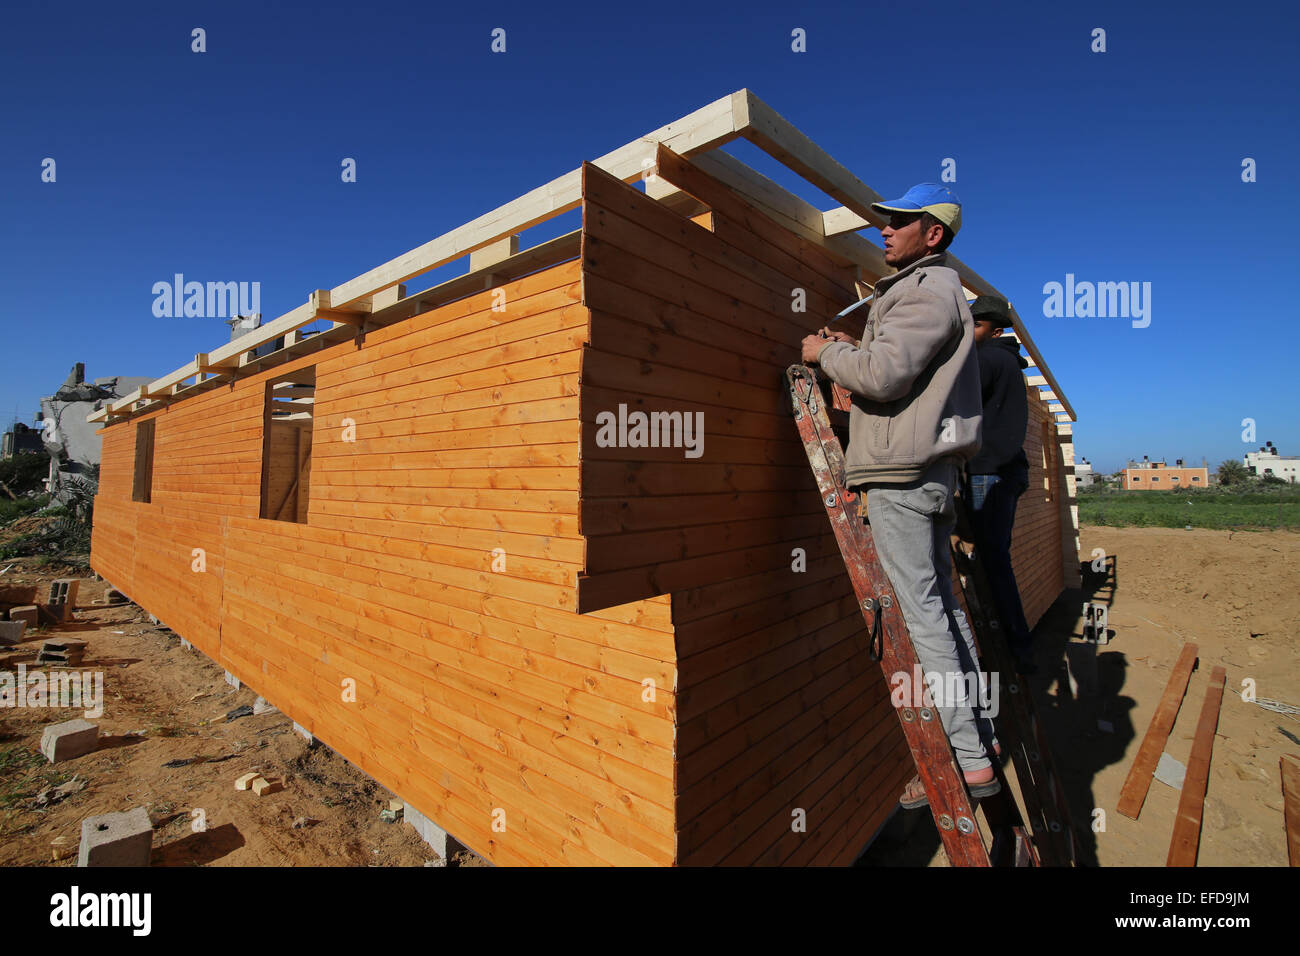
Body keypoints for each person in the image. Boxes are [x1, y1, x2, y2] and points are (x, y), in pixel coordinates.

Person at [800, 184, 999, 809]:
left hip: (901, 479)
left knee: (923, 622)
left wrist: (826, 353)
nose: (884, 231)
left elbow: (884, 376)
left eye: (899, 223)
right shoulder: (926, 292)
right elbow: (897, 376)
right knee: (945, 613)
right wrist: (853, 359)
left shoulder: (925, 290)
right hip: (923, 477)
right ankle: (981, 743)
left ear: (932, 234)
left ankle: (965, 761)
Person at [965, 296, 1036, 675]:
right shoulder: (1008, 363)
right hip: (1004, 472)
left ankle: (1017, 649)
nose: (968, 331)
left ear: (996, 330)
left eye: (975, 325)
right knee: (993, 556)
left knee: (992, 561)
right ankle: (1016, 644)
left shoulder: (988, 359)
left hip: (989, 473)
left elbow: (947, 397)